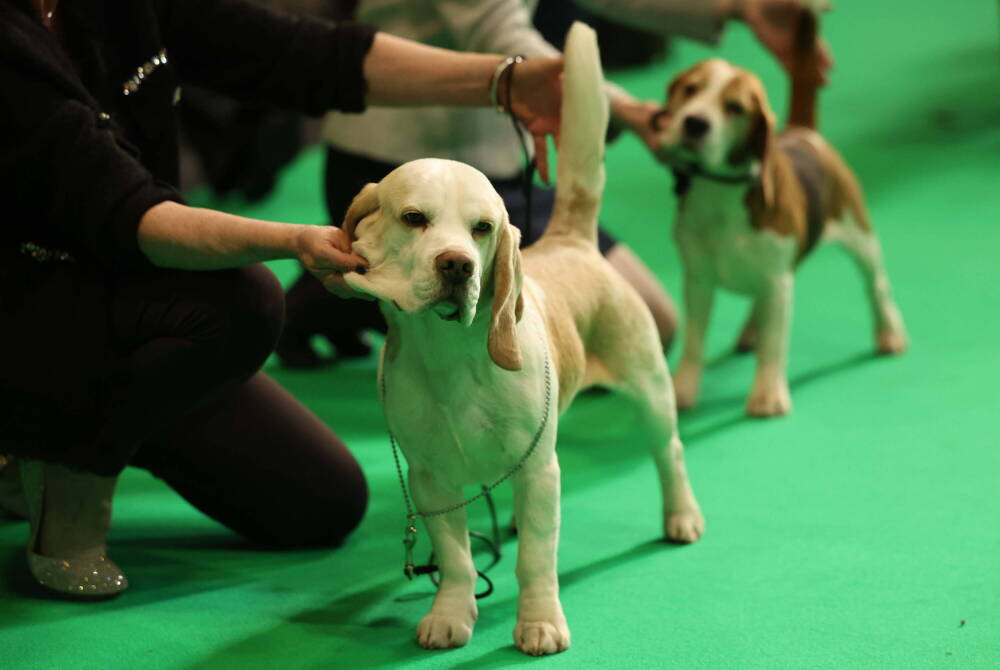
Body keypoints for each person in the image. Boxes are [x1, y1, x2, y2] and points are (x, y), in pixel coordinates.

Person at [0, 0, 561, 598]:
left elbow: (301, 54)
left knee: (320, 504)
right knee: (244, 300)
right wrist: (293, 241)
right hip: (27, 300)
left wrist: (503, 81)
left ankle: (63, 429)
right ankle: (69, 469)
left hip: (132, 297)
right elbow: (128, 212)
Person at [276, 0, 687, 369]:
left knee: (645, 330)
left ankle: (353, 293)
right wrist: (629, 110)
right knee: (464, 319)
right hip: (398, 162)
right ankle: (332, 293)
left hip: (500, 172)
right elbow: (497, 29)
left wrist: (719, 9)